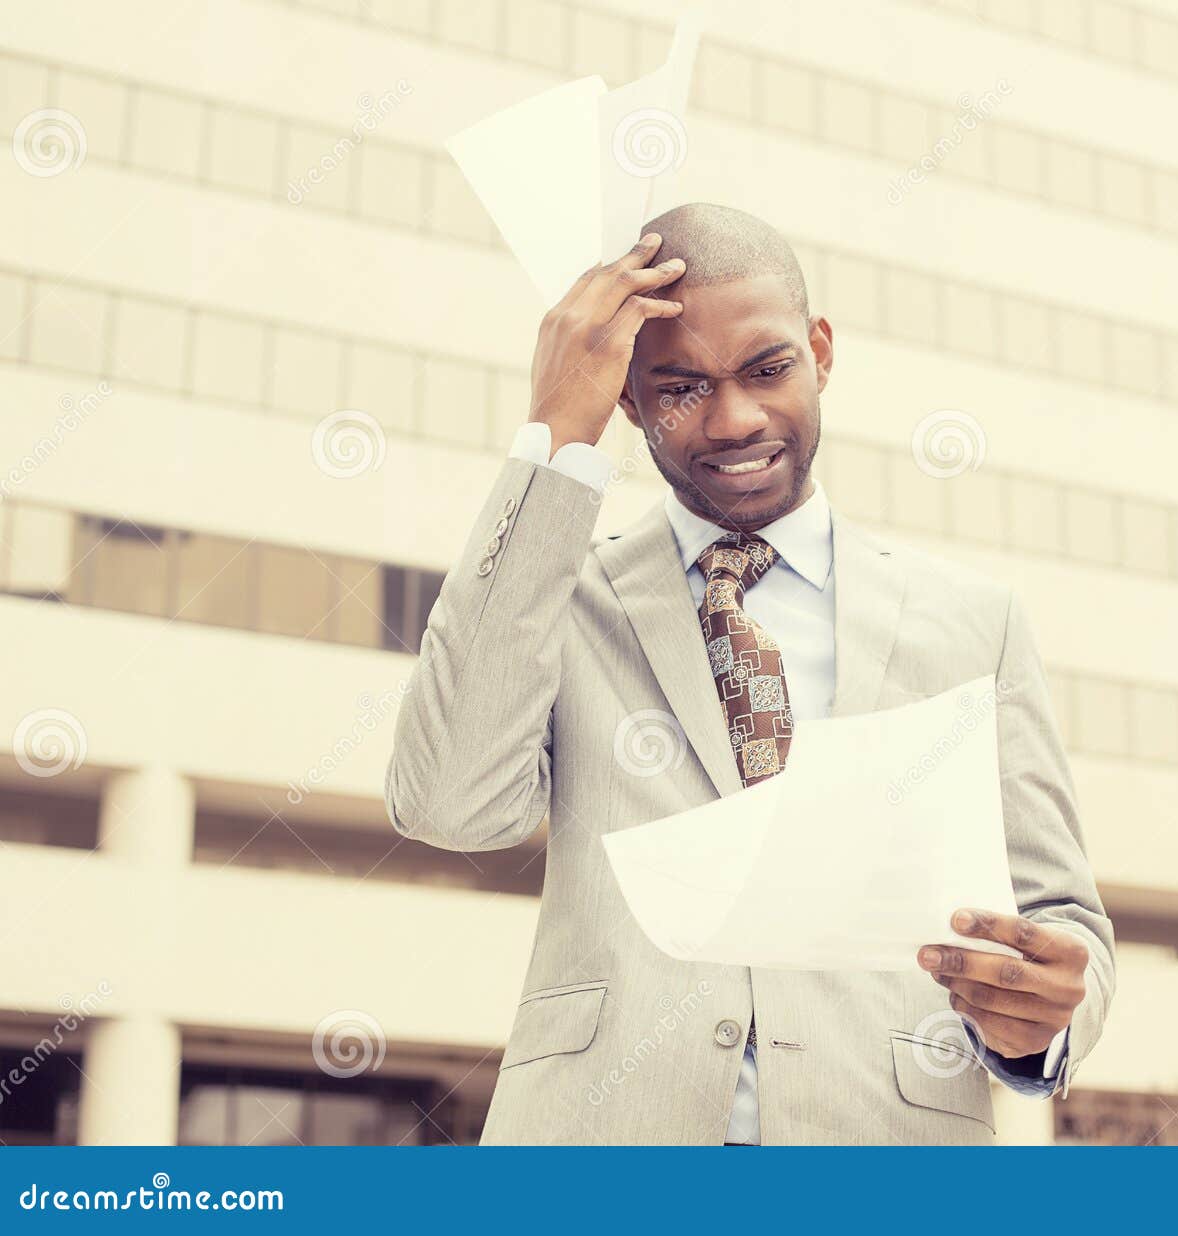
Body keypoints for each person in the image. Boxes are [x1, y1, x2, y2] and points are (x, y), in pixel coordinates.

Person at [386, 203, 1114, 1145]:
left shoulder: (975, 624)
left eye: (768, 370)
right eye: (681, 387)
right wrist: (552, 439)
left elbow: (1060, 917)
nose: (734, 421)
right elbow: (447, 803)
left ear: (819, 350)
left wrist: (1045, 1012)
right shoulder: (556, 595)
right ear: (628, 401)